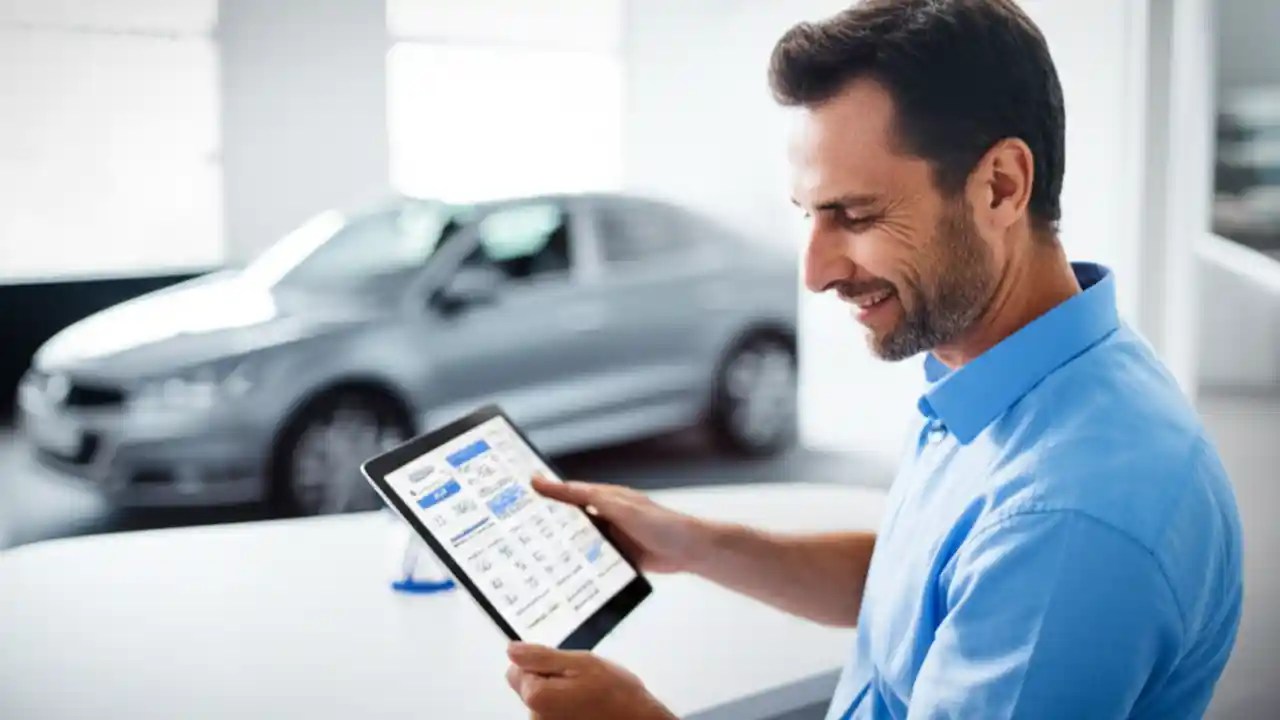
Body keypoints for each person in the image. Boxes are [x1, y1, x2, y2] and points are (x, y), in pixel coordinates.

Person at [504, 1, 1244, 718]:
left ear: (1000, 187)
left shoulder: (1069, 518)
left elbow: (1017, 566)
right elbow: (923, 588)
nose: (815, 271)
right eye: (808, 215)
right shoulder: (1017, 370)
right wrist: (698, 544)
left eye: (855, 216)